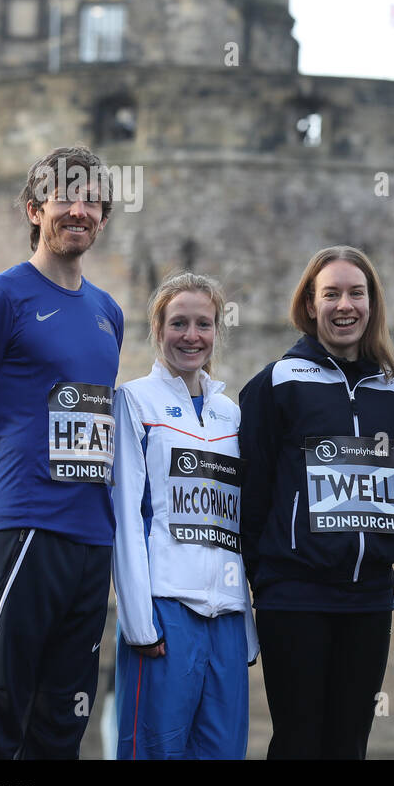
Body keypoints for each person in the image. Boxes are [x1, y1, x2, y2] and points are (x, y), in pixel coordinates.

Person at [0, 146, 122, 760]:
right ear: (34, 209)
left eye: (91, 199)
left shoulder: (108, 314)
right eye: (65, 196)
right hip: (20, 528)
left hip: (92, 541)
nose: (79, 209)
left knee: (62, 724)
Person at [240, 246, 394, 759]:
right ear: (310, 306)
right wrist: (264, 576)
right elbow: (253, 494)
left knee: (349, 744)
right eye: (331, 293)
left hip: (369, 596)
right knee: (298, 741)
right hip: (294, 594)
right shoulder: (275, 384)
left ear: (371, 303)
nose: (345, 305)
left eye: (356, 293)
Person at [111, 271, 256, 759]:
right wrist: (137, 619)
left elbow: (237, 523)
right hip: (165, 612)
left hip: (228, 619)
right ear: (157, 330)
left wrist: (247, 620)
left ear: (217, 331)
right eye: (178, 323)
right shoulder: (133, 401)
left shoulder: (231, 413)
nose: (191, 336)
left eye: (203, 324)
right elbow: (127, 515)